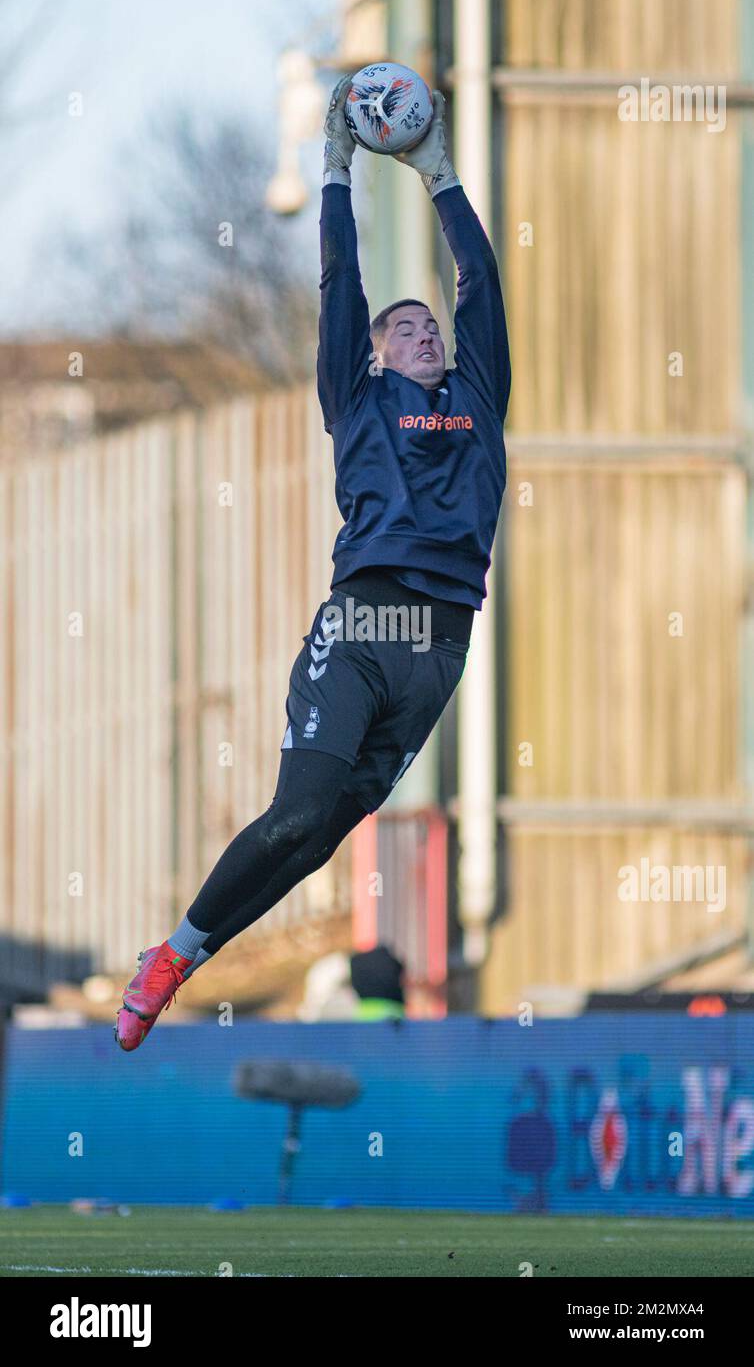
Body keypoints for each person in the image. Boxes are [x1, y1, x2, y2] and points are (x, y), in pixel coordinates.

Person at [115, 74, 511, 1050]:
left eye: (431, 323)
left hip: (442, 643)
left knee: (328, 833)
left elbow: (480, 285)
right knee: (296, 814)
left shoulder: (478, 396)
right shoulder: (359, 396)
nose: (420, 326)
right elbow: (343, 281)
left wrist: (438, 174)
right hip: (367, 622)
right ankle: (173, 956)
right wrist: (333, 169)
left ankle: (189, 945)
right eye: (400, 326)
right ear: (374, 356)